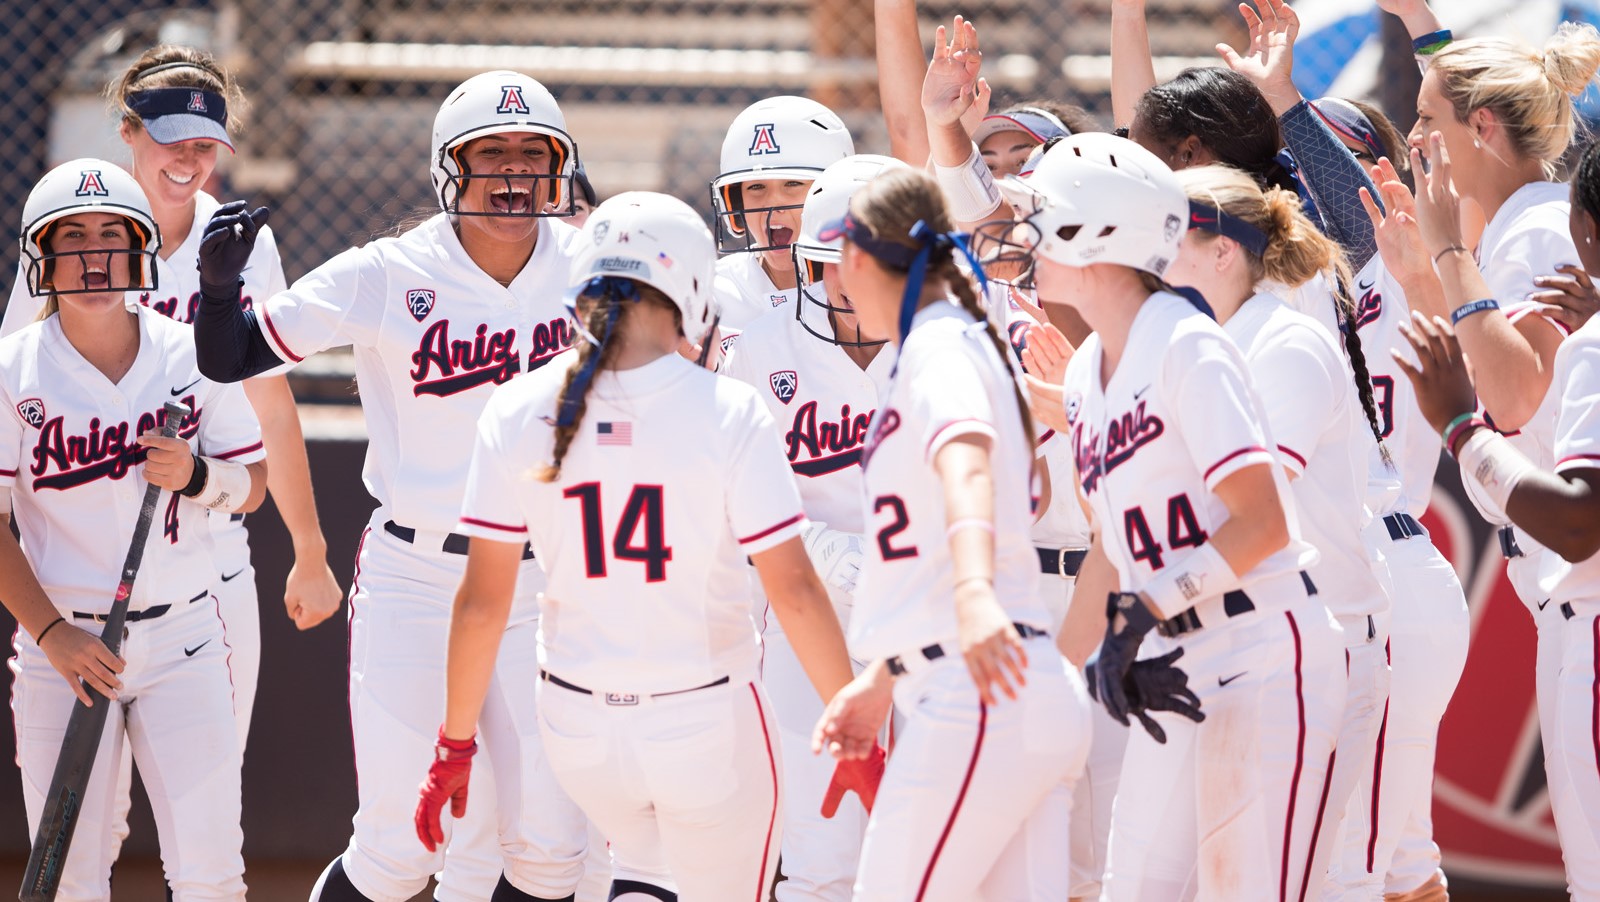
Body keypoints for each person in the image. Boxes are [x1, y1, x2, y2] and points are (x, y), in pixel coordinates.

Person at [191, 70, 591, 902]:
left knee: (553, 851)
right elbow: (232, 358)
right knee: (400, 848)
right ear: (451, 168)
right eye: (491, 154)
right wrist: (219, 290)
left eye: (533, 152)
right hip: (420, 577)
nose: (513, 172)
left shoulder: (593, 265)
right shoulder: (389, 271)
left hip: (547, 579)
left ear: (561, 166)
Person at [415, 190, 856, 902]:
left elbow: (481, 605)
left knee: (646, 872)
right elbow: (796, 592)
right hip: (705, 717)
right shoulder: (729, 408)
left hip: (578, 725)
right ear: (688, 288)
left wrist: (454, 744)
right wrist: (853, 719)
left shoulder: (516, 407)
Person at [1016, 133, 1338, 899]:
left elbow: (1263, 523)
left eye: (1043, 217)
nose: (1025, 235)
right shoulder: (1092, 371)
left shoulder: (1187, 341)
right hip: (1171, 661)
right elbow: (1114, 551)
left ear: (1098, 234)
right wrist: (1069, 673)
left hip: (1263, 650)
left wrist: (1144, 611)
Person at [0, 44, 342, 751]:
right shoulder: (72, 233)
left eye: (205, 145)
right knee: (95, 811)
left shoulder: (242, 242)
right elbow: (18, 378)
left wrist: (309, 548)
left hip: (209, 543)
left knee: (209, 791)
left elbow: (270, 404)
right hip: (83, 558)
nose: (187, 160)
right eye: (167, 140)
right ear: (126, 132)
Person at [813, 166, 1091, 900]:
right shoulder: (951, 341)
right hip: (1005, 683)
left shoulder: (940, 347)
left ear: (863, 259)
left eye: (839, 256)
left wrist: (973, 592)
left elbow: (967, 465)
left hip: (977, 695)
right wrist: (882, 678)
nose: (837, 278)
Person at [0, 159, 267, 901]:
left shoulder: (193, 353)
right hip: (66, 651)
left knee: (212, 875)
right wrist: (53, 635)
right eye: (71, 237)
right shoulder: (11, 370)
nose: (93, 257)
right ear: (41, 257)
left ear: (141, 247)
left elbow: (253, 488)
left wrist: (198, 477)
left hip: (185, 639)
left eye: (111, 236)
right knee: (73, 882)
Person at [1169, 164, 1392, 898]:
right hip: (1241, 636)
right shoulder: (1206, 339)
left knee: (1293, 884)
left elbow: (1248, 512)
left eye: (1170, 238)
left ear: (1223, 251)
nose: (1151, 258)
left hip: (1320, 636)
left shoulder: (1284, 344)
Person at [720, 152, 903, 901]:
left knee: (925, 851)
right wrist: (827, 550)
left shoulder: (953, 343)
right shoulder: (761, 352)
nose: (848, 283)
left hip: (928, 614)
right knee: (821, 857)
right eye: (829, 262)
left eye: (875, 263)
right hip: (806, 618)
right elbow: (724, 490)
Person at [710, 95, 855, 332]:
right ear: (734, 202)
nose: (772, 204)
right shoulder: (712, 293)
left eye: (792, 184)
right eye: (756, 187)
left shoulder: (867, 287)